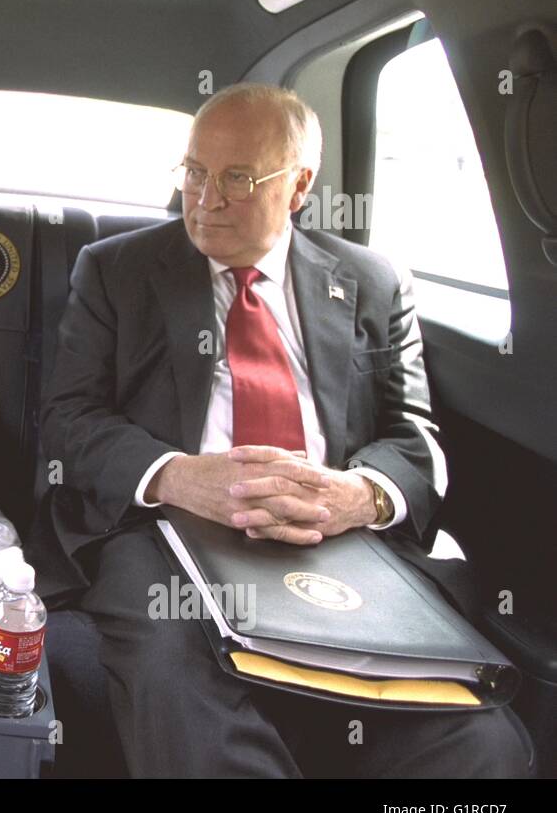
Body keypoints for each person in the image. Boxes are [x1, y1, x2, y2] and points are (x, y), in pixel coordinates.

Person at [29, 83, 532, 777]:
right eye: (195, 172)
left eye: (238, 178)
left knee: (480, 748)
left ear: (298, 185)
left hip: (339, 543)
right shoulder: (118, 270)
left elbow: (417, 441)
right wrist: (178, 475)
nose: (205, 200)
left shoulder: (373, 281)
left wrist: (356, 495)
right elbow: (67, 419)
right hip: (168, 534)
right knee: (182, 692)